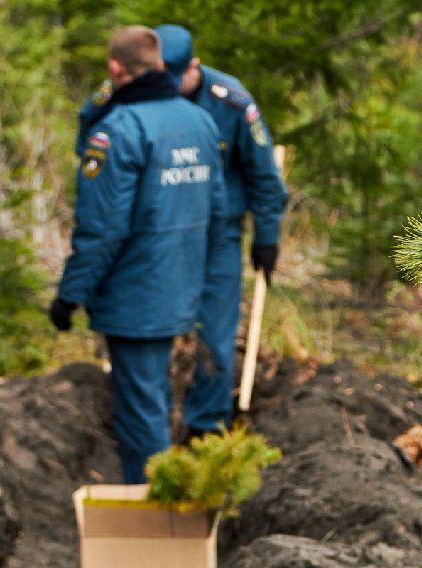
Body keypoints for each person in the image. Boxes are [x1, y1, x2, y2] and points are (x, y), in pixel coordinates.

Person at [79, 24, 290, 440]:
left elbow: (265, 177)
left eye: (179, 78)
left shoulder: (231, 102)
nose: (169, 88)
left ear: (194, 66)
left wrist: (267, 235)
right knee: (144, 323)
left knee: (214, 331)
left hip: (216, 234)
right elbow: (90, 131)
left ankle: (205, 429)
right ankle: (147, 421)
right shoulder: (123, 92)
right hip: (156, 232)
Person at [51, 26, 229, 483]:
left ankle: (154, 515)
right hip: (181, 287)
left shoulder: (120, 131)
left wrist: (70, 295)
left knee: (141, 411)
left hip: (137, 294)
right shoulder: (199, 121)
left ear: (115, 68)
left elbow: (101, 228)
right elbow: (218, 209)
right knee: (153, 397)